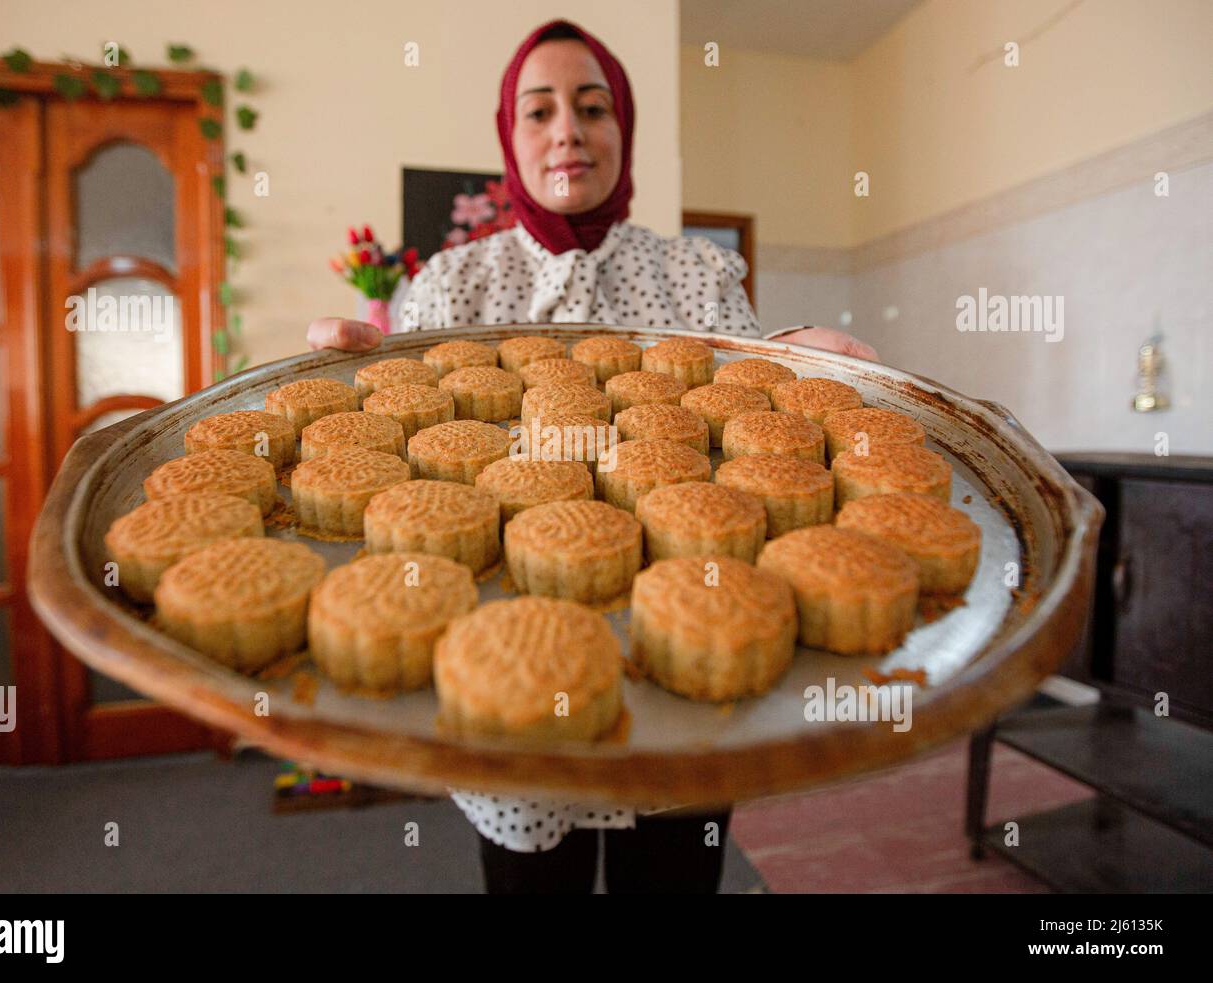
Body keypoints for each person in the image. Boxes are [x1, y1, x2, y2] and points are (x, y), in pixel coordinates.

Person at [307, 19, 877, 893]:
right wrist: (350, 386)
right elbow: (407, 449)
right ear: (511, 138)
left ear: (625, 129)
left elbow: (742, 411)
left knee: (674, 881)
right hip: (513, 660)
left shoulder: (695, 275)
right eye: (538, 112)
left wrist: (790, 358)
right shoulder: (454, 283)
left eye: (592, 107)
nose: (567, 130)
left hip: (691, 637)